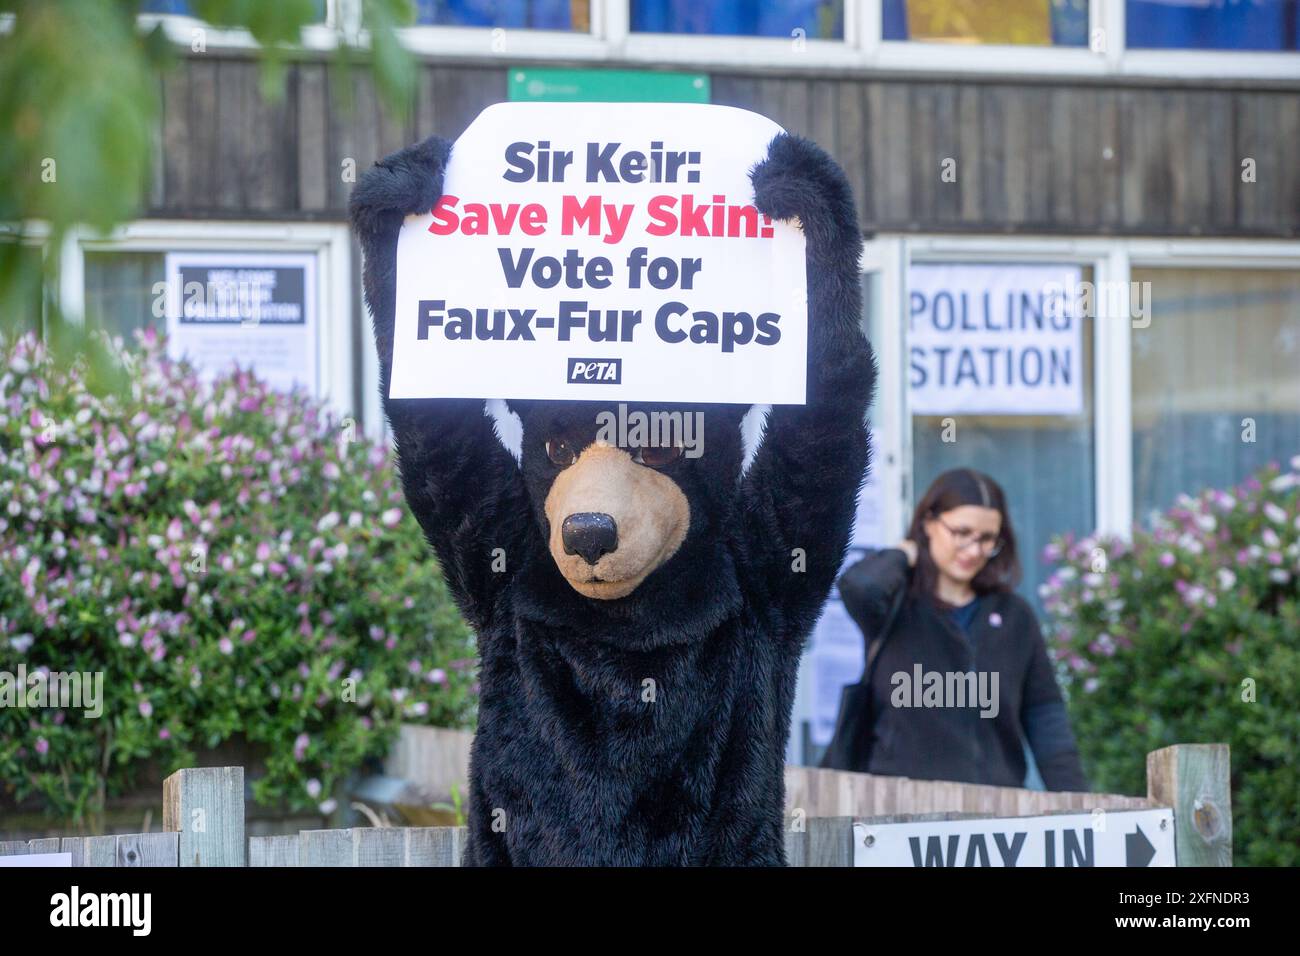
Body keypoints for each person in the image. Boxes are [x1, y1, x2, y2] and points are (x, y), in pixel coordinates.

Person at [832, 468, 1087, 791]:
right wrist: (905, 552)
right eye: (961, 532)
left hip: (995, 807)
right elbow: (859, 586)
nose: (974, 549)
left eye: (987, 538)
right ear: (929, 523)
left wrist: (1077, 804)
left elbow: (1045, 716)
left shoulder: (1014, 616)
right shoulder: (894, 605)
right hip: (897, 805)